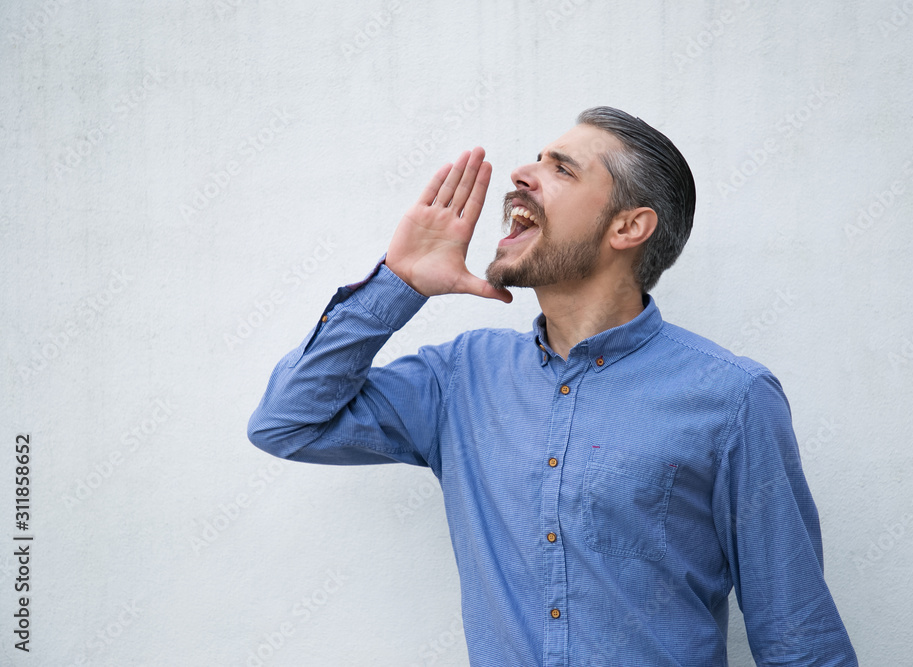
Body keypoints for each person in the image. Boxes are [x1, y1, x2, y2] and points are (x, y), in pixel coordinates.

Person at [248, 106, 858, 666]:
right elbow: (287, 422)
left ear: (628, 226)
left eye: (561, 168)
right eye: (537, 159)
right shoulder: (461, 377)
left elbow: (798, 636)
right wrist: (399, 283)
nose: (523, 174)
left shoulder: (734, 398)